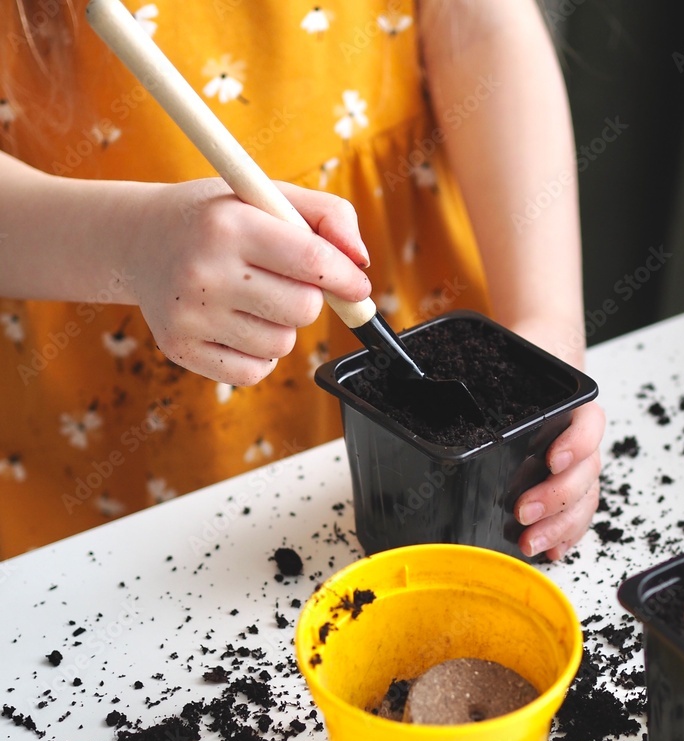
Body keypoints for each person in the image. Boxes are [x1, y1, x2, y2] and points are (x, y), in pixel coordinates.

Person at [0, 0, 604, 561]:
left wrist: (546, 324)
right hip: (115, 434)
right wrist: (129, 245)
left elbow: (481, 27)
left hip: (413, 279)